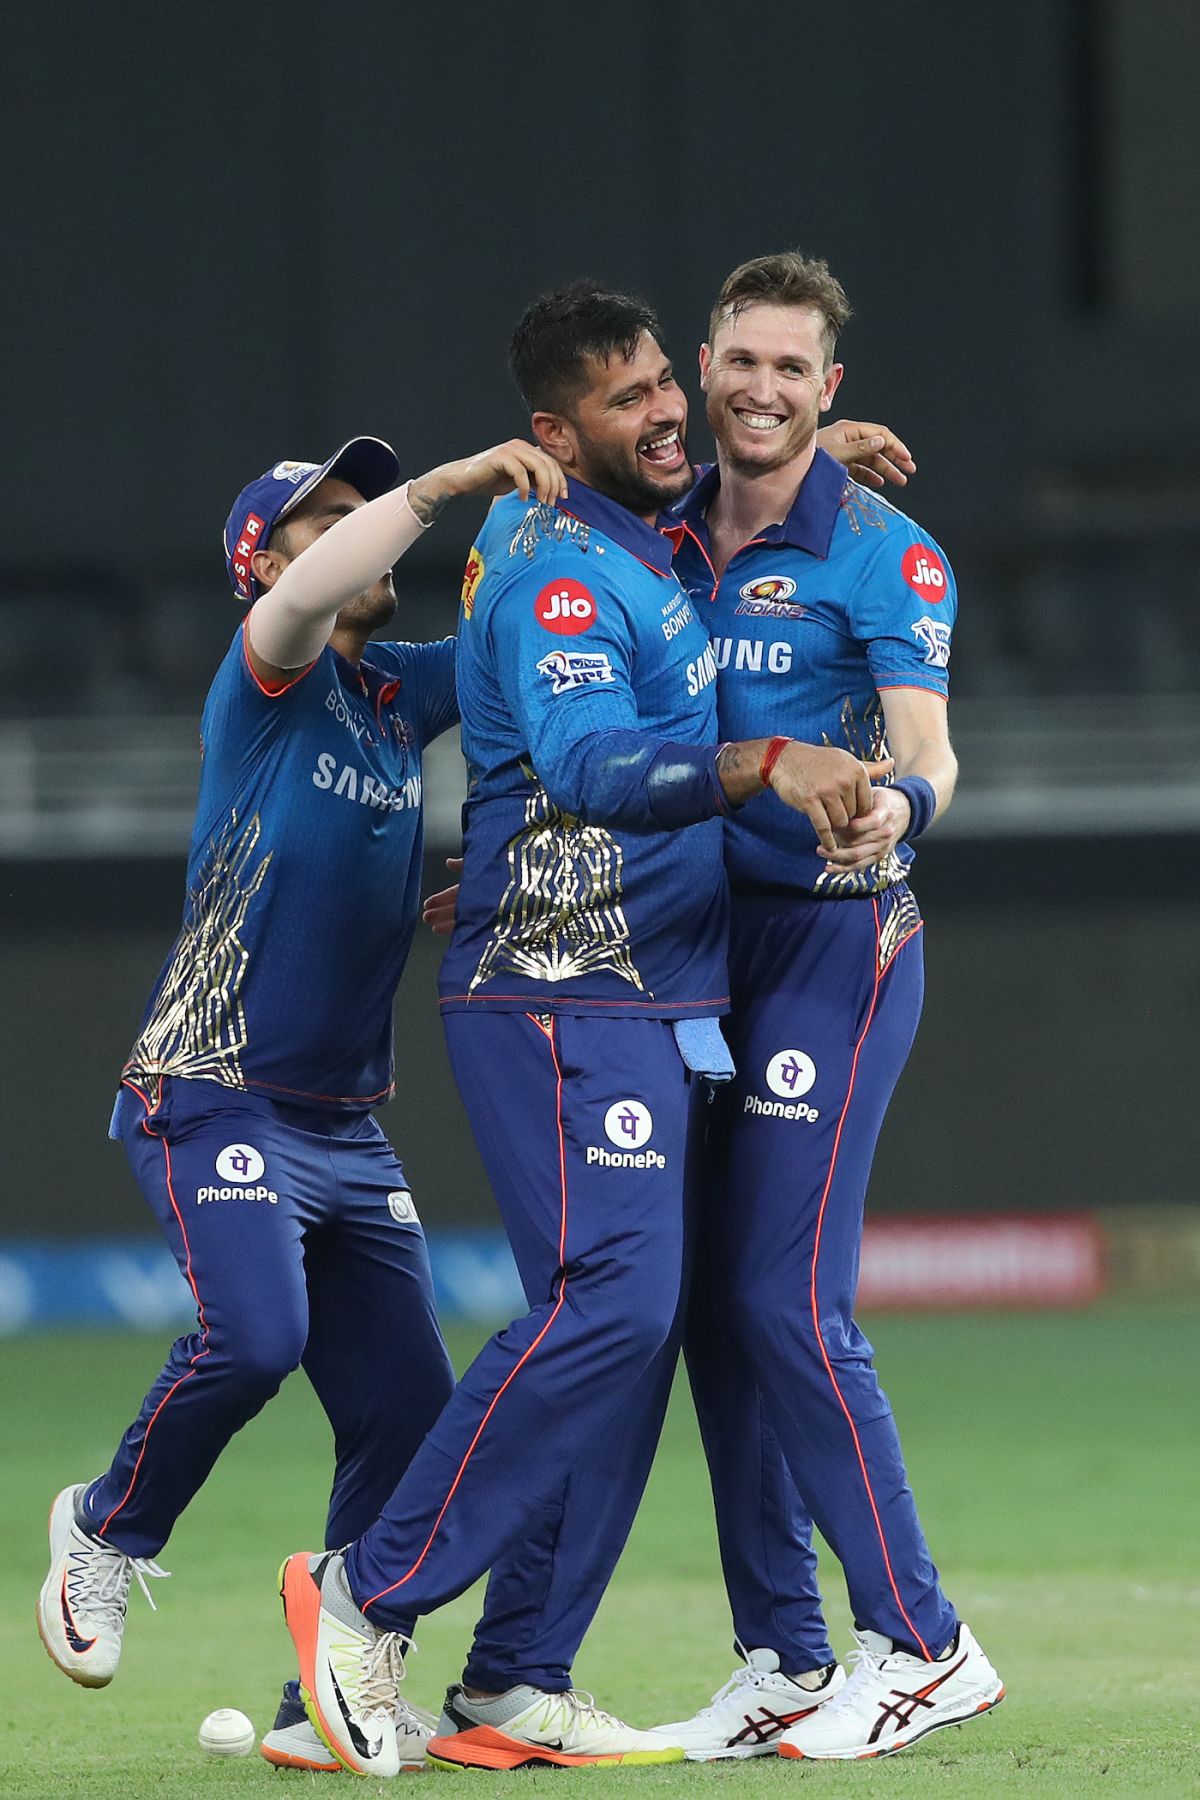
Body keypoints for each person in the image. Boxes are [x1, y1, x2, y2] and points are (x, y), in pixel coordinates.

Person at [278, 282, 893, 1777]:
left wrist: (808, 455)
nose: (668, 412)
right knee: (611, 1302)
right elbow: (592, 761)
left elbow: (725, 510)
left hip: (651, 992)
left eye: (660, 387)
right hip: (562, 992)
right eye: (630, 402)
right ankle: (362, 1599)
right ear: (554, 437)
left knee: (634, 1327)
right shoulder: (557, 567)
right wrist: (764, 759)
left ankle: (518, 1674)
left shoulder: (647, 540)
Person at [35, 432, 567, 1774]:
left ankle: (321, 1704)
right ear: (263, 562)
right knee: (256, 1338)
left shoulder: (397, 694)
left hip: (340, 1121)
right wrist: (440, 489)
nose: (361, 530)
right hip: (209, 1087)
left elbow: (515, 635)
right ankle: (103, 1529)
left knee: (405, 1416)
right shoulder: (264, 673)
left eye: (364, 506)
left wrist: (727, 499)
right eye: (326, 518)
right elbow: (309, 592)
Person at [646, 252, 1004, 1762]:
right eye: (743, 362)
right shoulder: (649, 533)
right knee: (715, 1322)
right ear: (703, 366)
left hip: (832, 950)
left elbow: (932, 753)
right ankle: (787, 1656)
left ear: (831, 388)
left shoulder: (888, 553)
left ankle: (924, 1644)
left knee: (786, 1299)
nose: (765, 389)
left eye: (796, 371)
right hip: (689, 956)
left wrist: (897, 815)